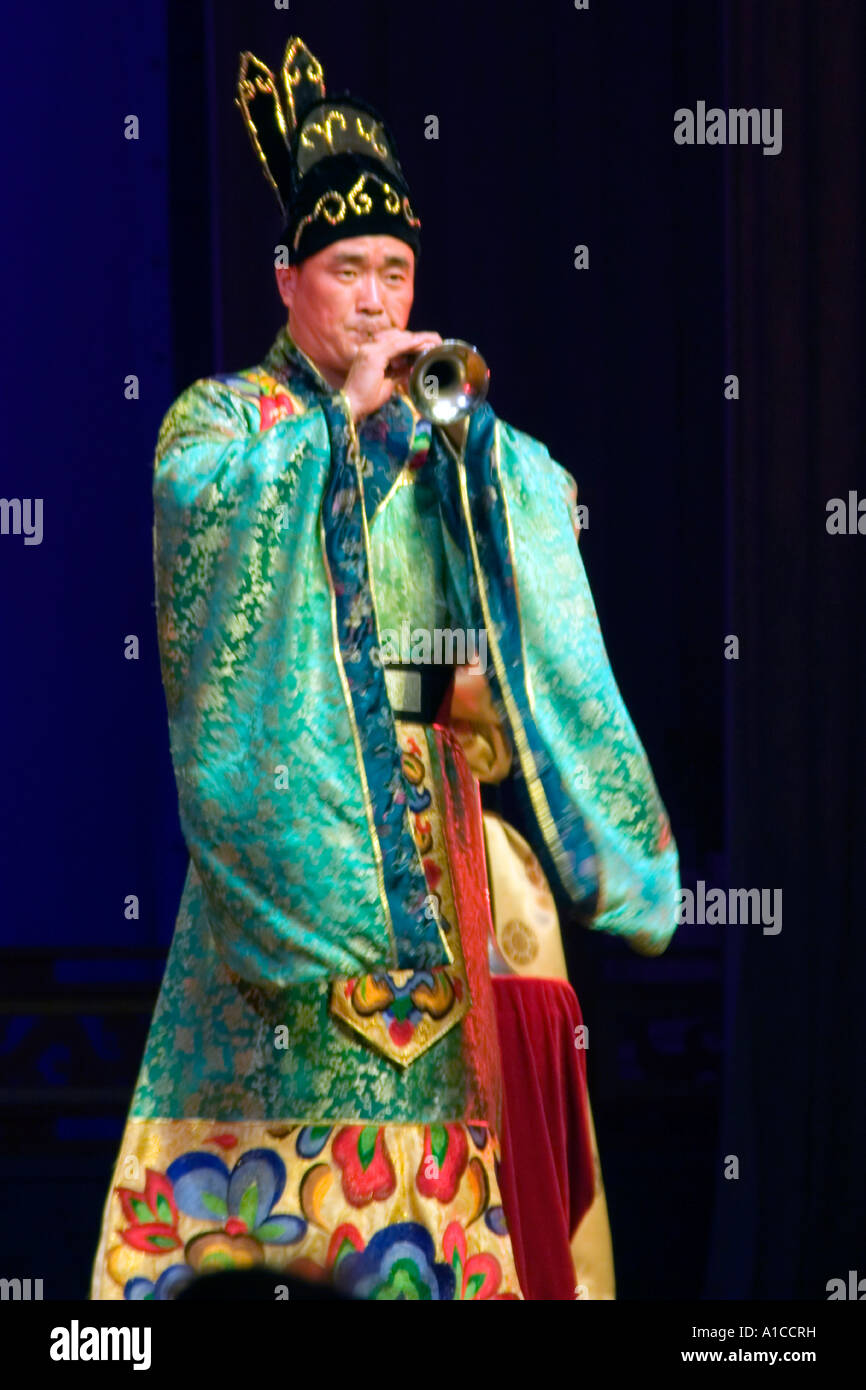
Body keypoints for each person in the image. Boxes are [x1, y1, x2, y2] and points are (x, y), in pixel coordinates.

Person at [89, 35, 679, 1302]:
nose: (373, 300)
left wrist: (476, 467)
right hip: (279, 901)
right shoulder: (221, 426)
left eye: (394, 273)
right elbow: (221, 595)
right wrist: (338, 426)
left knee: (427, 1227)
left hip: (429, 885)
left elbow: (477, 686)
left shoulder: (437, 437)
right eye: (346, 270)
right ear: (286, 280)